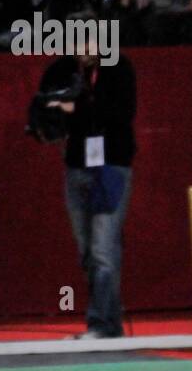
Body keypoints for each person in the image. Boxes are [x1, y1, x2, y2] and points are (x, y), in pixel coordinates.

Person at [38, 41, 137, 339]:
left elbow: (121, 113)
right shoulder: (63, 69)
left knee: (103, 249)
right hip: (77, 165)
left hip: (111, 166)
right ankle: (109, 323)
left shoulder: (118, 67)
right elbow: (46, 105)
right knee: (87, 252)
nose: (82, 48)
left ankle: (100, 324)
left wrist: (76, 107)